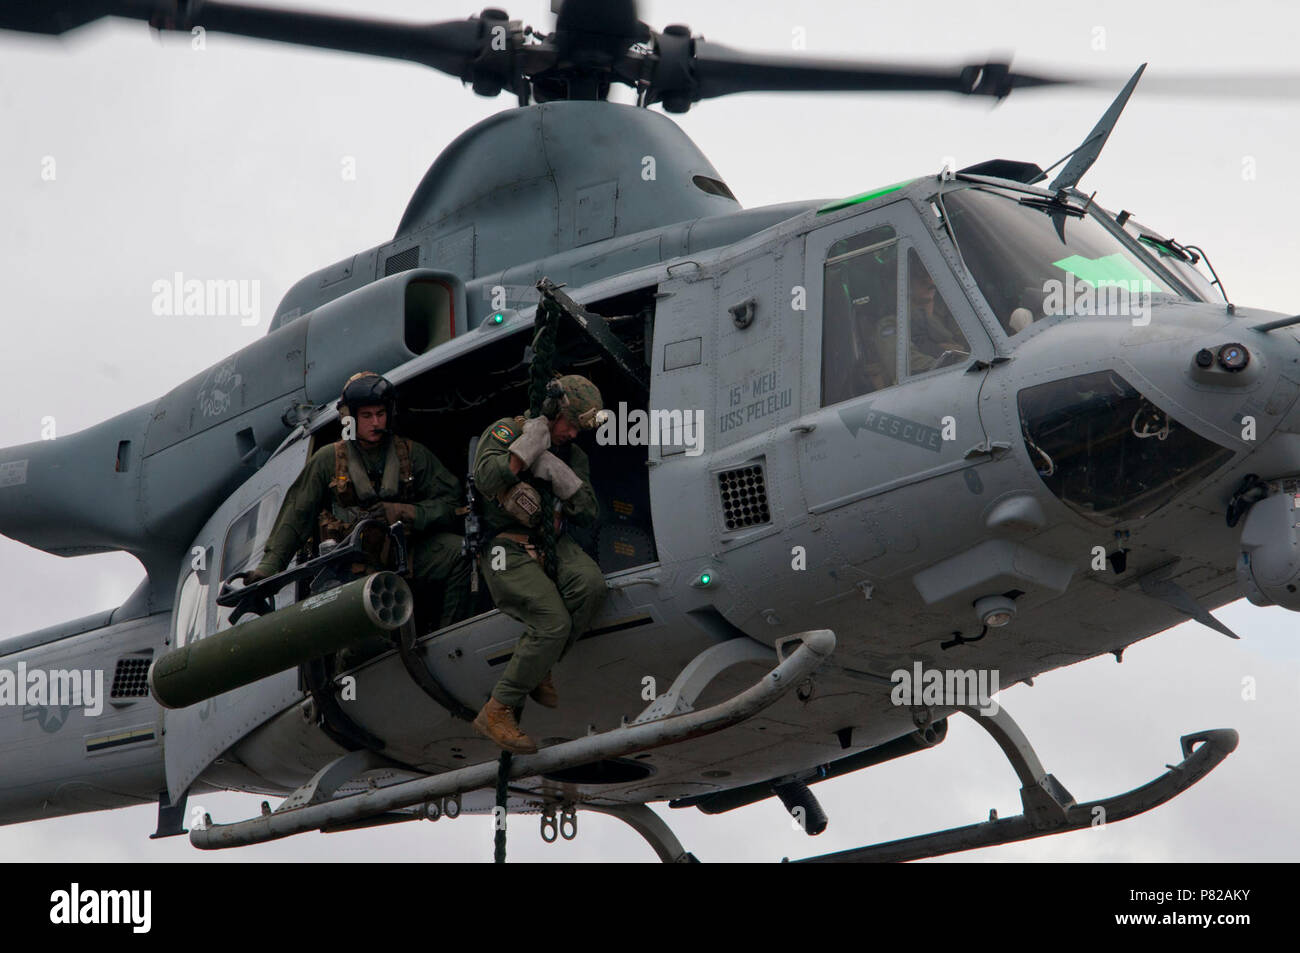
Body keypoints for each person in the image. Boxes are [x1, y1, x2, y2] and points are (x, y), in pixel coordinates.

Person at [246, 371, 475, 629]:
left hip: (405, 553)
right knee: (362, 639)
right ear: (350, 418)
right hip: (351, 568)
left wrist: (405, 512)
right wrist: (267, 569)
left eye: (380, 414)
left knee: (462, 553)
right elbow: (296, 516)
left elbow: (452, 504)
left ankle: (453, 637)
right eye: (366, 416)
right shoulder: (327, 461)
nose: (376, 422)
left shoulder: (411, 455)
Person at [470, 374, 609, 754]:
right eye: (570, 424)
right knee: (553, 622)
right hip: (504, 547)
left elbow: (589, 512)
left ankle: (539, 664)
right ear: (552, 411)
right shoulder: (504, 432)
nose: (574, 434)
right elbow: (484, 478)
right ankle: (497, 709)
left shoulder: (571, 456)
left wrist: (563, 478)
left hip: (551, 542)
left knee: (591, 587)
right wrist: (523, 453)